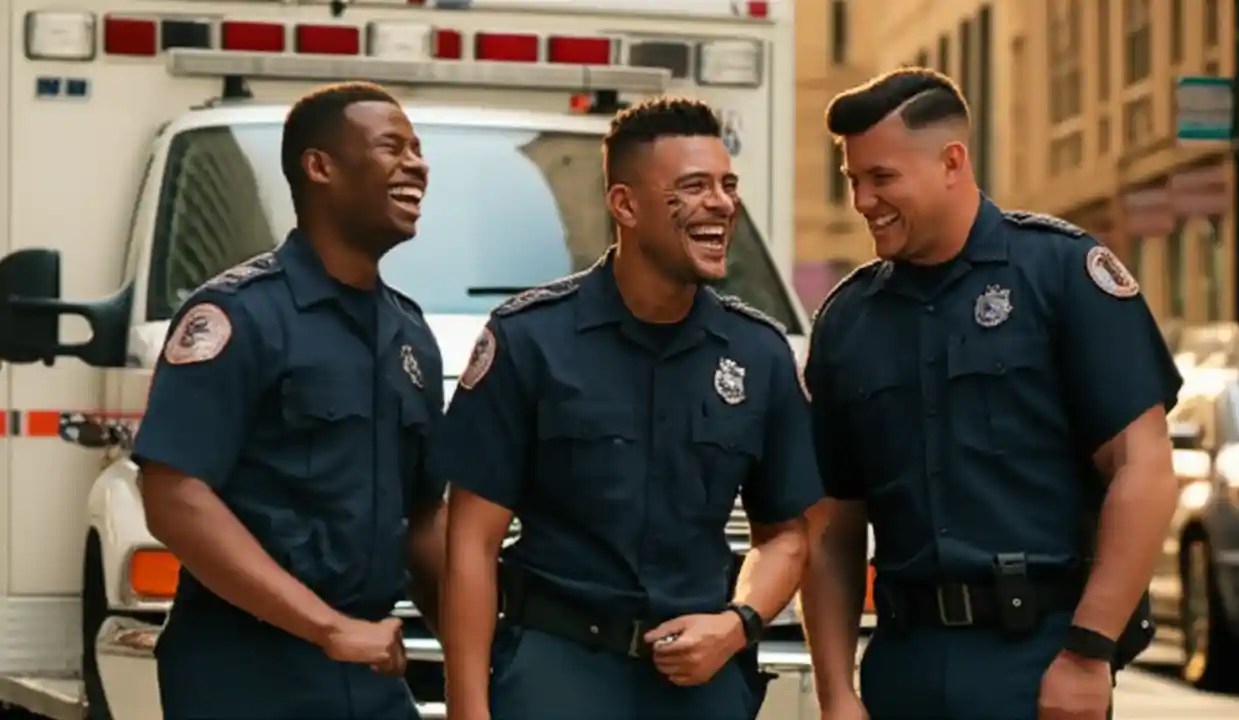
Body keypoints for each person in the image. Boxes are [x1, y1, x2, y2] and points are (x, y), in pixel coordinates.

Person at [799, 68, 1183, 720]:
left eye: (882, 178)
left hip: (1036, 663)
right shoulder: (847, 320)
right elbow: (834, 527)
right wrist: (836, 690)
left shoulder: (1061, 275)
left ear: (952, 162)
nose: (863, 200)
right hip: (902, 663)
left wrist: (1089, 653)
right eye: (853, 181)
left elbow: (1143, 467)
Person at [436, 97, 823, 720]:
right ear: (625, 204)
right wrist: (468, 710)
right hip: (557, 675)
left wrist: (736, 623)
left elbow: (784, 536)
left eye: (728, 185)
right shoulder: (530, 341)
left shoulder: (760, 354)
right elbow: (471, 545)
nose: (722, 203)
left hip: (702, 683)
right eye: (694, 186)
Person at [132, 82, 448, 719]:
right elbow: (174, 496)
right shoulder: (236, 316)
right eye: (393, 146)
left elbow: (424, 520)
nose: (417, 163)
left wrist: (481, 656)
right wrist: (327, 627)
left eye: (417, 149)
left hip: (370, 667)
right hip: (247, 671)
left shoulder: (410, 335)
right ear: (319, 166)